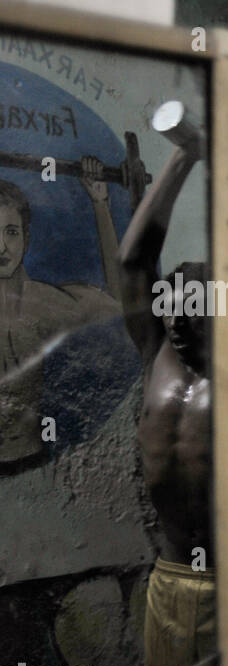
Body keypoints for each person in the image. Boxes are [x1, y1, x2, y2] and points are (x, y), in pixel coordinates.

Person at [116, 136, 215, 666]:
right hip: (170, 582)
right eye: (174, 287)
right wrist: (184, 160)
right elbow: (131, 261)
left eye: (195, 290)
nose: (177, 297)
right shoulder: (154, 348)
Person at [0, 159, 123, 469]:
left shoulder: (44, 303)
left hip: (30, 462)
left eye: (11, 232)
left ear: (25, 239)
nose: (1, 246)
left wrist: (100, 205)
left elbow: (118, 302)